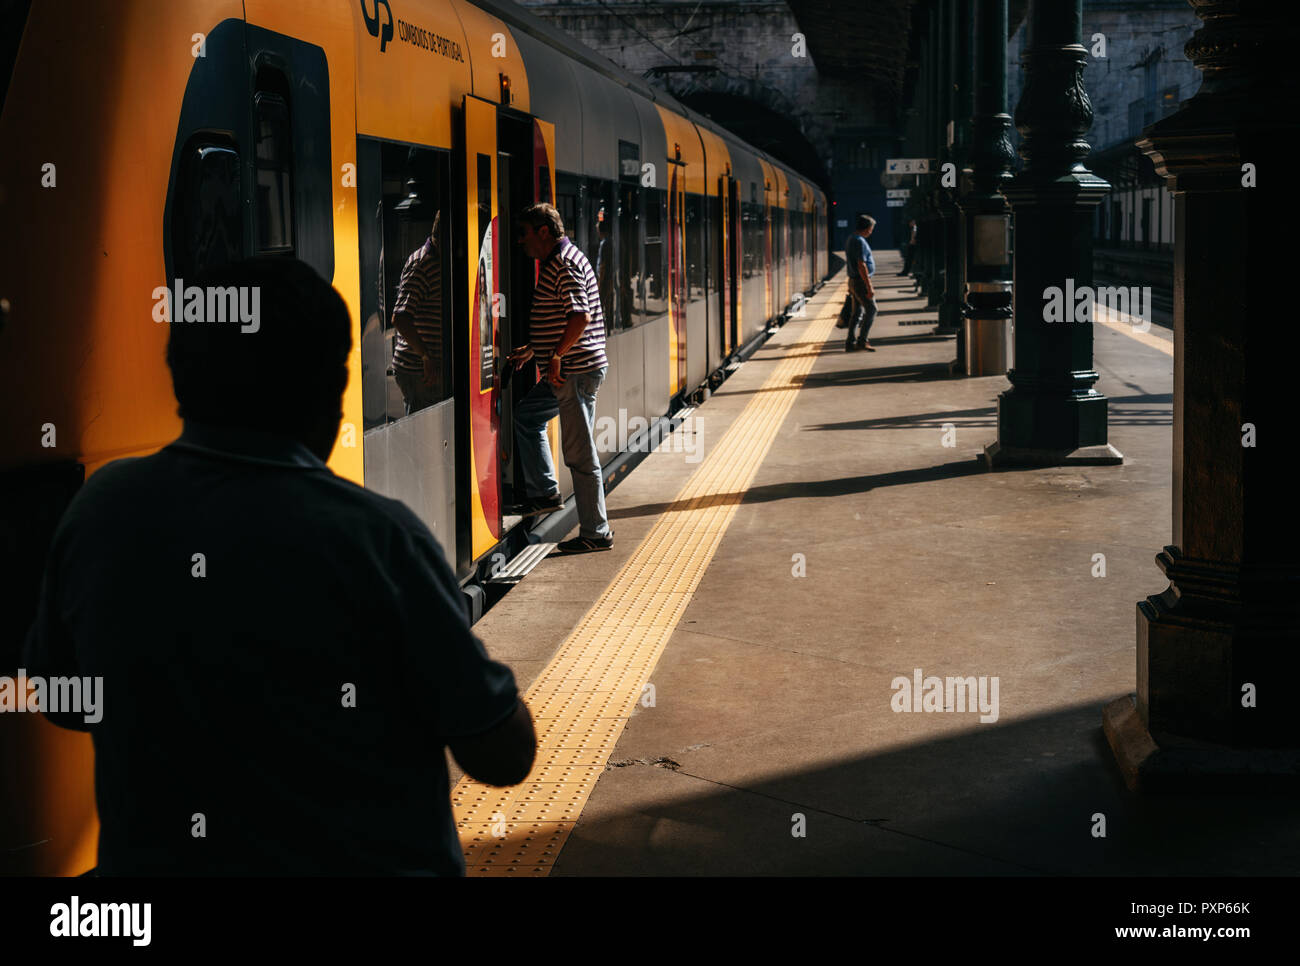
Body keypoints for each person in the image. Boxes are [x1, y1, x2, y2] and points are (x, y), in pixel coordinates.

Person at [23, 256, 535, 875]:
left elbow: (60, 695)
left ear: (180, 375)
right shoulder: (380, 541)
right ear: (324, 390)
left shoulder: (100, 511)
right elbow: (502, 754)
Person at [507, 203, 613, 554]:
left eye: (524, 234)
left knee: (579, 453)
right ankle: (544, 493)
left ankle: (596, 533)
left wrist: (555, 355)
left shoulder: (564, 263)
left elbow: (579, 316)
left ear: (543, 232)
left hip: (574, 371)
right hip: (568, 370)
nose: (521, 242)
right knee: (527, 416)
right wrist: (534, 349)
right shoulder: (562, 259)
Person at [390, 211, 443, 416]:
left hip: (427, 369)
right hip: (418, 370)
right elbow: (400, 318)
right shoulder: (422, 263)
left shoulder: (439, 261)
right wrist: (426, 356)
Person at [845, 213, 878, 352]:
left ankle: (850, 342)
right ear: (867, 228)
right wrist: (869, 286)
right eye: (871, 228)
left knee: (857, 312)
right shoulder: (859, 241)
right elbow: (861, 264)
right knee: (872, 310)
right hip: (860, 282)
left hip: (853, 281)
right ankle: (862, 341)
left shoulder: (851, 238)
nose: (871, 231)